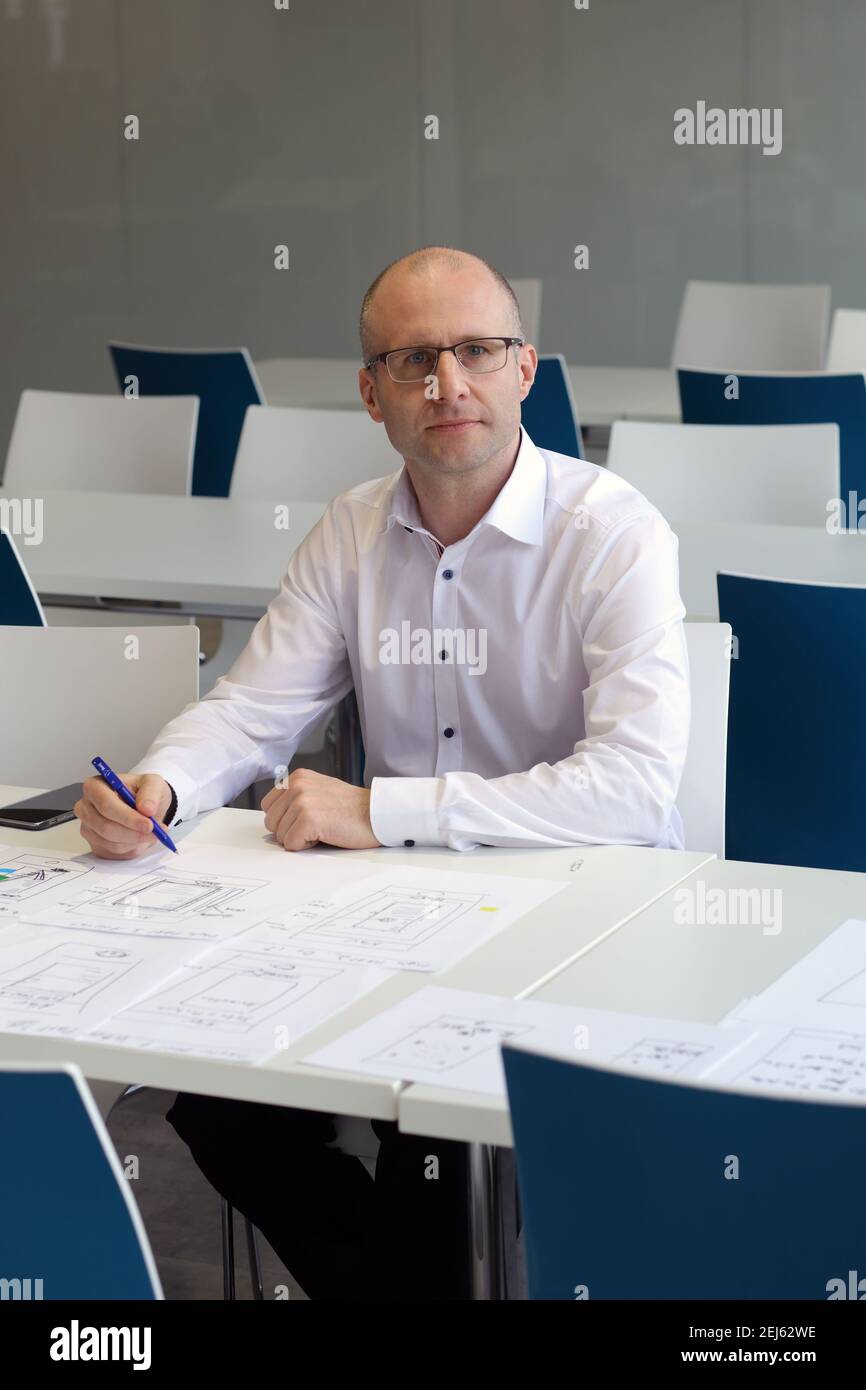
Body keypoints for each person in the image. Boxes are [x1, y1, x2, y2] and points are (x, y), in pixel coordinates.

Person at [74, 246, 690, 1298]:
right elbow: (252, 707)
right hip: (398, 918)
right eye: (412, 360)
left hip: (582, 924)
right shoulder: (351, 531)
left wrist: (382, 810)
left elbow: (632, 788)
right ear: (370, 393)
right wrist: (161, 785)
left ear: (524, 371)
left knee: (432, 1194)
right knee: (215, 1093)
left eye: (477, 352)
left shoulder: (611, 534)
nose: (448, 384)